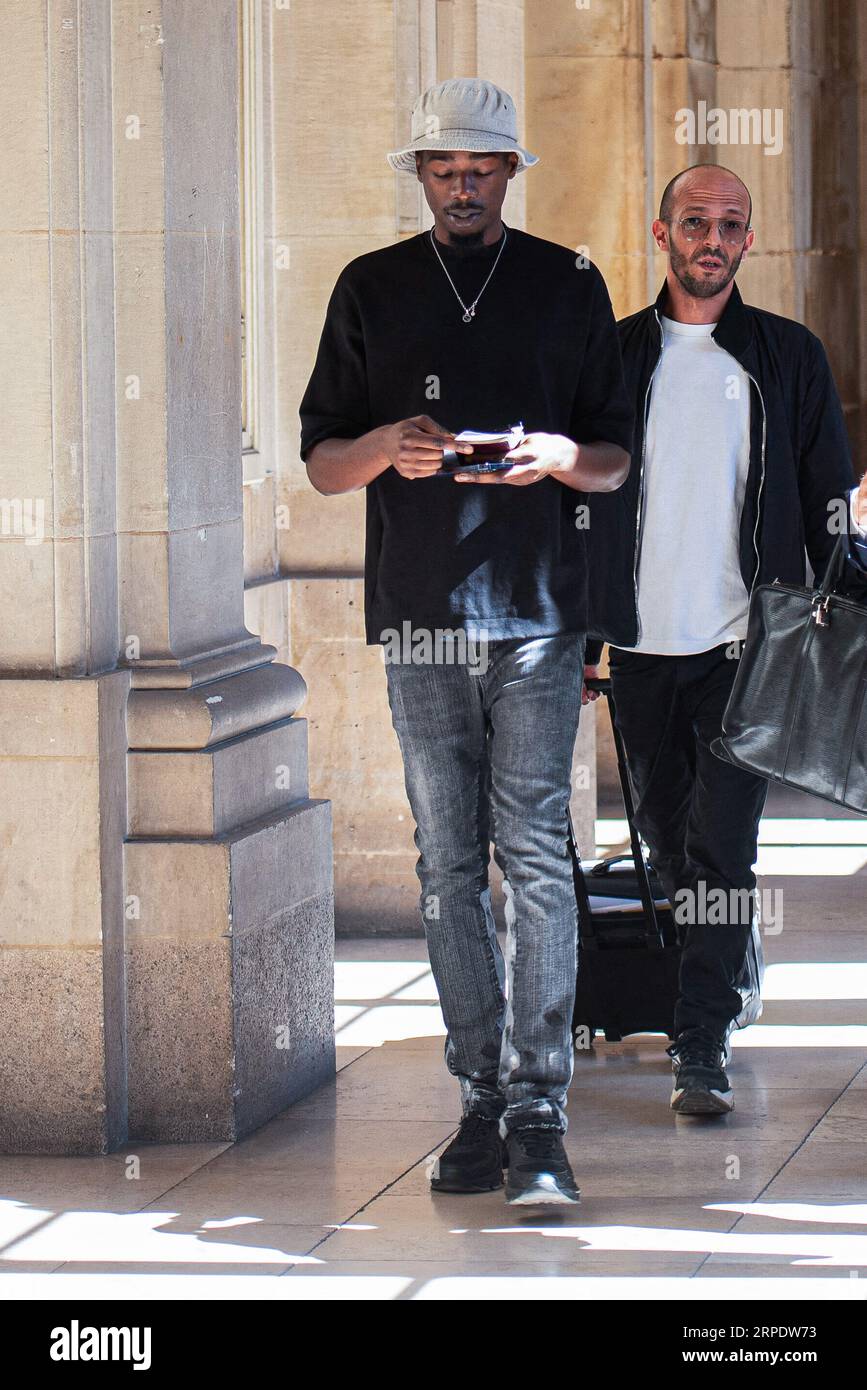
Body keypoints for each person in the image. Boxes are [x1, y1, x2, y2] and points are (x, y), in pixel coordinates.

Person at [300, 78, 632, 1204]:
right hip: (421, 616)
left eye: (481, 166)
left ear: (510, 173)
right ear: (422, 174)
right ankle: (479, 1102)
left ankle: (541, 1112)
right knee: (446, 871)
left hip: (538, 617)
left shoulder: (568, 282)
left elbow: (616, 459)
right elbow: (320, 461)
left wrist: (552, 455)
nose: (462, 182)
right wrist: (387, 443)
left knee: (535, 855)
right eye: (443, 166)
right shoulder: (371, 287)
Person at [585, 163, 865, 1116]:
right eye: (695, 222)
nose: (713, 238)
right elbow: (578, 506)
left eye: (731, 225)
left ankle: (697, 1042)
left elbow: (830, 494)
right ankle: (732, 968)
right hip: (638, 646)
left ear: (749, 242)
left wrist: (828, 615)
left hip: (748, 647)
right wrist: (587, 636)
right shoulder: (614, 356)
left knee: (723, 849)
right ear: (659, 233)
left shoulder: (786, 355)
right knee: (664, 847)